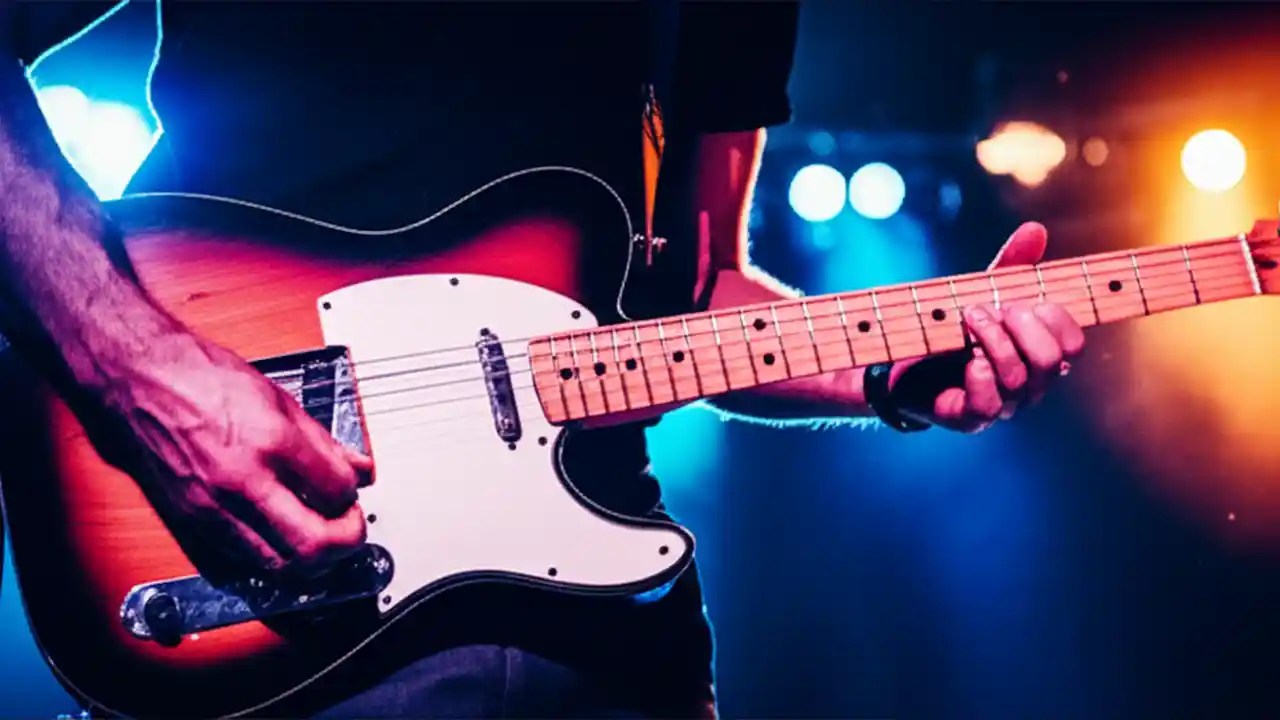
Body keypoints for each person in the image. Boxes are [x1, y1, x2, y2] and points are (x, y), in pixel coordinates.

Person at [0, 1, 1085, 717]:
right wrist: (132, 368)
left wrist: (890, 371)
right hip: (282, 595)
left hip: (608, 645)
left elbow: (681, 290)